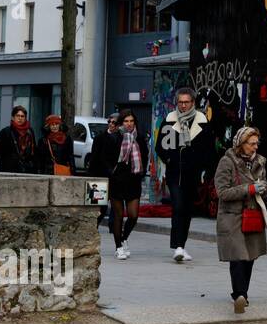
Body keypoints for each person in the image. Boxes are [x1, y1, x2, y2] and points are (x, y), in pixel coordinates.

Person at [214, 126, 267, 314]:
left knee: (250, 257)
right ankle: (240, 295)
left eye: (256, 143)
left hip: (253, 215)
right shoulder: (227, 162)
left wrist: (264, 188)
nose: (255, 147)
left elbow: (264, 185)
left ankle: (242, 293)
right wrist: (250, 189)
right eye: (251, 144)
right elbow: (222, 192)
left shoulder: (260, 161)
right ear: (241, 144)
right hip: (232, 217)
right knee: (238, 257)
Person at [156, 87, 214, 263]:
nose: (183, 105)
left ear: (193, 102)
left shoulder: (203, 122)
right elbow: (160, 147)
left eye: (186, 102)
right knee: (178, 206)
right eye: (180, 102)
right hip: (174, 173)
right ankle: (177, 246)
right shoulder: (169, 120)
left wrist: (203, 168)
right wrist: (169, 159)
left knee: (187, 210)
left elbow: (209, 150)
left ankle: (181, 244)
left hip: (193, 174)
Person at [107, 110, 150, 261]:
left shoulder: (140, 138)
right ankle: (118, 247)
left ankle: (124, 238)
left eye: (131, 121)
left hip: (133, 180)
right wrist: (111, 173)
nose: (129, 124)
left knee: (133, 215)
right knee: (118, 215)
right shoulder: (114, 137)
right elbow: (106, 158)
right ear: (121, 123)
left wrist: (141, 174)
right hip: (117, 180)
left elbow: (144, 157)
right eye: (126, 121)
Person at [89, 113, 121, 227]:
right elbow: (94, 158)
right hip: (100, 177)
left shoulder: (121, 139)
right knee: (100, 207)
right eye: (109, 122)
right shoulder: (99, 138)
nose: (111, 125)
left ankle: (114, 227)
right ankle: (93, 226)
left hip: (115, 177)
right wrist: (91, 177)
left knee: (116, 204)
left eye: (114, 123)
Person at [0, 105, 37, 173]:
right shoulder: (6, 132)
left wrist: (36, 170)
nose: (20, 118)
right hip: (8, 170)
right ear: (13, 117)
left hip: (26, 170)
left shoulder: (30, 132)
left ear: (25, 118)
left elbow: (34, 152)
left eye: (22, 116)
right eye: (17, 116)